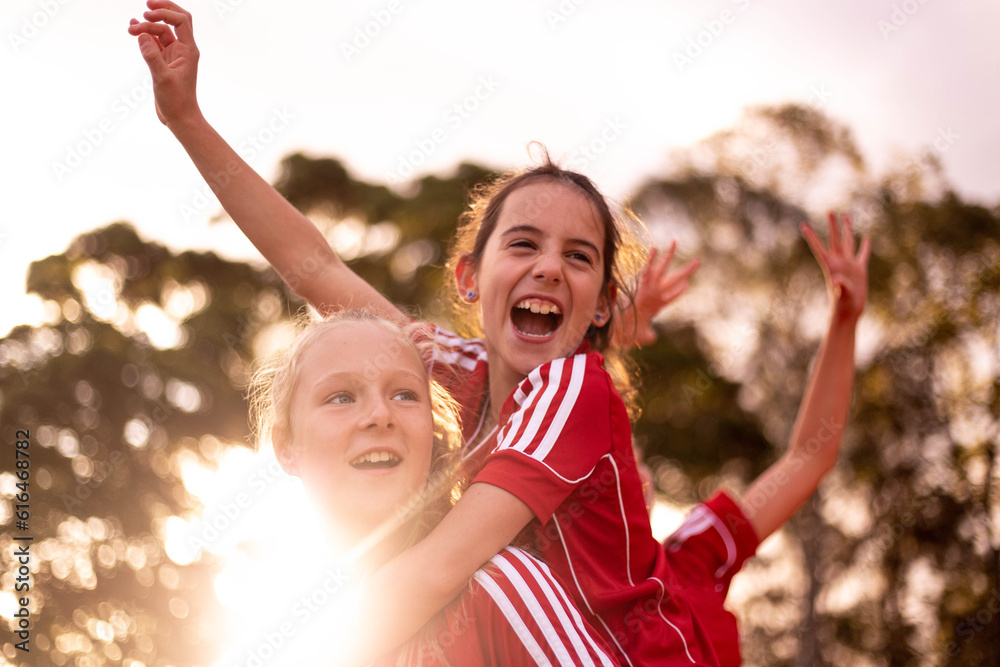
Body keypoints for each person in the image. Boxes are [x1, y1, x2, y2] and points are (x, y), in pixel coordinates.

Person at [129, 3, 868, 664]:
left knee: (481, 578)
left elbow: (438, 571)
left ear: (601, 304)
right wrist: (188, 119)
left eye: (578, 257)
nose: (549, 267)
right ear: (469, 280)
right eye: (523, 244)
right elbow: (316, 267)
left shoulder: (575, 392)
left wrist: (842, 319)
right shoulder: (455, 371)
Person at [249, 309, 621, 665]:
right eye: (341, 397)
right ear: (286, 447)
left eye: (404, 394)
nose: (380, 415)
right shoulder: (285, 631)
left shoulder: (502, 588)